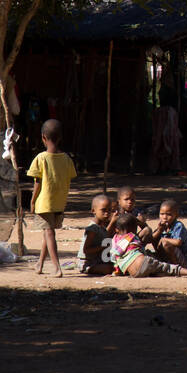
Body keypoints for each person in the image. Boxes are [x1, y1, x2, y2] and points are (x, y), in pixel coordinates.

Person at [28, 118, 76, 277]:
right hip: (59, 202)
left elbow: (38, 183)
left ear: (43, 137)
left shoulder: (41, 159)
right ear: (60, 137)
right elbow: (69, 177)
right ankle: (39, 264)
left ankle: (56, 267)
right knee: (47, 233)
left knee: (49, 234)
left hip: (44, 202)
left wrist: (33, 200)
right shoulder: (67, 159)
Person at [111, 213, 187, 278]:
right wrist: (143, 224)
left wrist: (117, 272)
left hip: (133, 272)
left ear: (116, 230)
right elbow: (147, 241)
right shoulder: (132, 236)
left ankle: (159, 273)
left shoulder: (115, 240)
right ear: (134, 228)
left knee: (157, 269)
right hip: (143, 261)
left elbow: (115, 257)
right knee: (165, 267)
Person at [78, 195, 114, 276]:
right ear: (93, 211)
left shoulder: (102, 226)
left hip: (98, 259)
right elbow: (86, 250)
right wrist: (103, 247)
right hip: (88, 263)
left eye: (109, 210)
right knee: (109, 269)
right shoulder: (92, 228)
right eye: (103, 210)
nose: (107, 213)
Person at [153, 199, 187, 269]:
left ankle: (175, 268)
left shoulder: (178, 226)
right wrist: (159, 230)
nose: (164, 217)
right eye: (162, 214)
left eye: (168, 214)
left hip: (184, 259)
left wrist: (163, 239)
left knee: (165, 243)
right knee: (155, 239)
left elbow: (178, 242)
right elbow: (152, 238)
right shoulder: (162, 226)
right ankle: (166, 262)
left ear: (176, 215)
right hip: (170, 256)